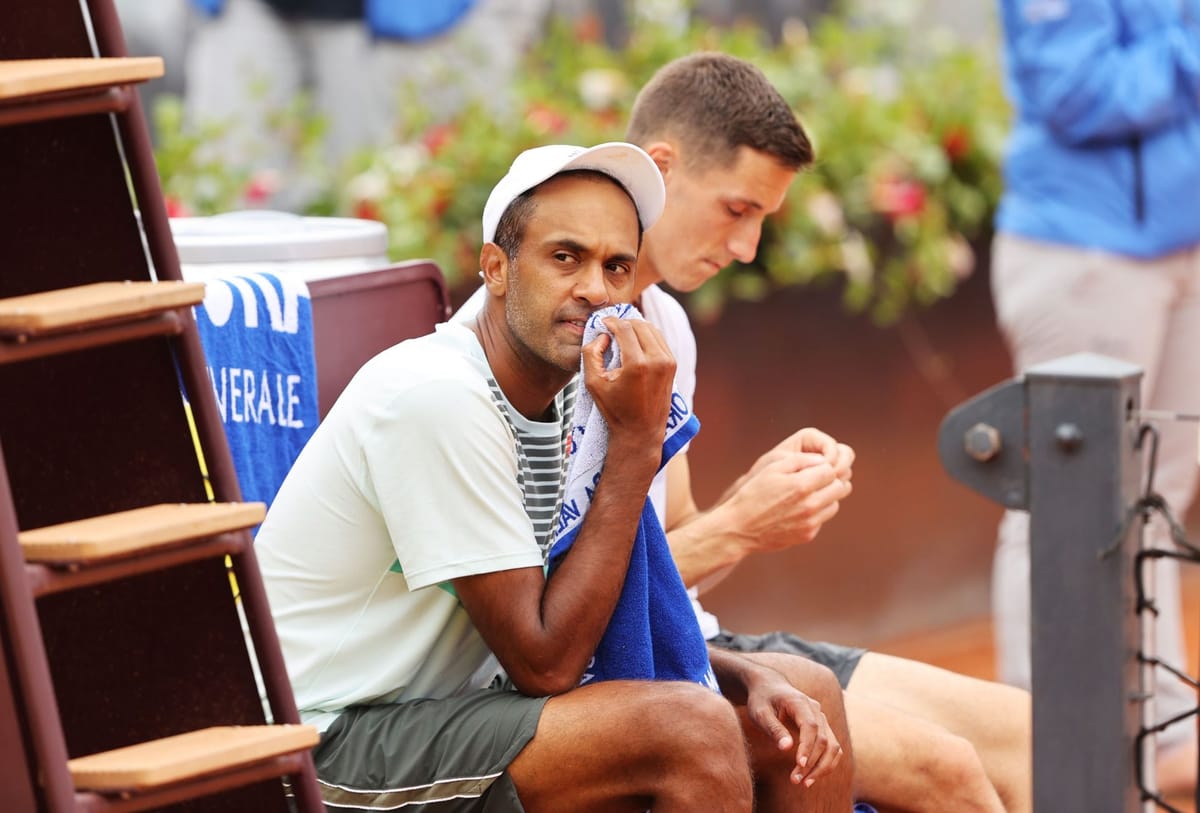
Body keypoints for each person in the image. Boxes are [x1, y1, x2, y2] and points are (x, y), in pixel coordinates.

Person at [458, 53, 1032, 811]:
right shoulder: (538, 343)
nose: (748, 247)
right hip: (634, 681)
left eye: (762, 218)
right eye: (738, 209)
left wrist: (756, 510)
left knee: (1026, 730)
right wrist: (739, 525)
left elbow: (670, 556)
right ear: (660, 168)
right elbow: (565, 620)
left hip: (712, 646)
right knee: (949, 771)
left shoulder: (665, 327)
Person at [256, 141, 856, 811]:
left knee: (804, 694)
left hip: (446, 710)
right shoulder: (438, 397)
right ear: (496, 269)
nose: (596, 289)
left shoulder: (574, 393)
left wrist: (744, 673)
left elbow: (611, 613)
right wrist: (637, 440)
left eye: (617, 266)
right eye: (565, 257)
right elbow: (545, 664)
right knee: (692, 729)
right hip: (318, 743)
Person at [990, 0, 1200, 795]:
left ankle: (1165, 720)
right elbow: (1081, 94)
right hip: (1081, 252)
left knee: (1155, 499)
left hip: (1185, 246)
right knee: (1062, 499)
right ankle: (1032, 730)